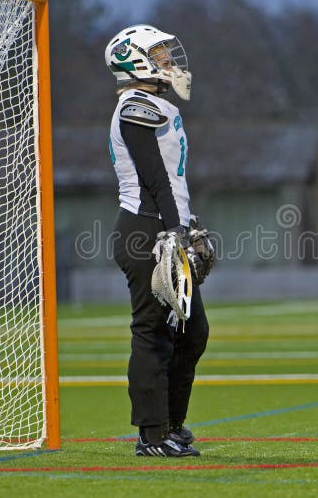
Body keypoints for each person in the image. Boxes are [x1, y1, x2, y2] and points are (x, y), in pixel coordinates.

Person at [104, 25, 212, 457]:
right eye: (159, 54)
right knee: (152, 332)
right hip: (145, 230)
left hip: (163, 226)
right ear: (135, 61)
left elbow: (173, 181)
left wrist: (184, 223)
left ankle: (171, 424)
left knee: (192, 332)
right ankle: (151, 436)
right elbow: (156, 180)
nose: (169, 60)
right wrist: (176, 231)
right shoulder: (135, 108)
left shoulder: (153, 103)